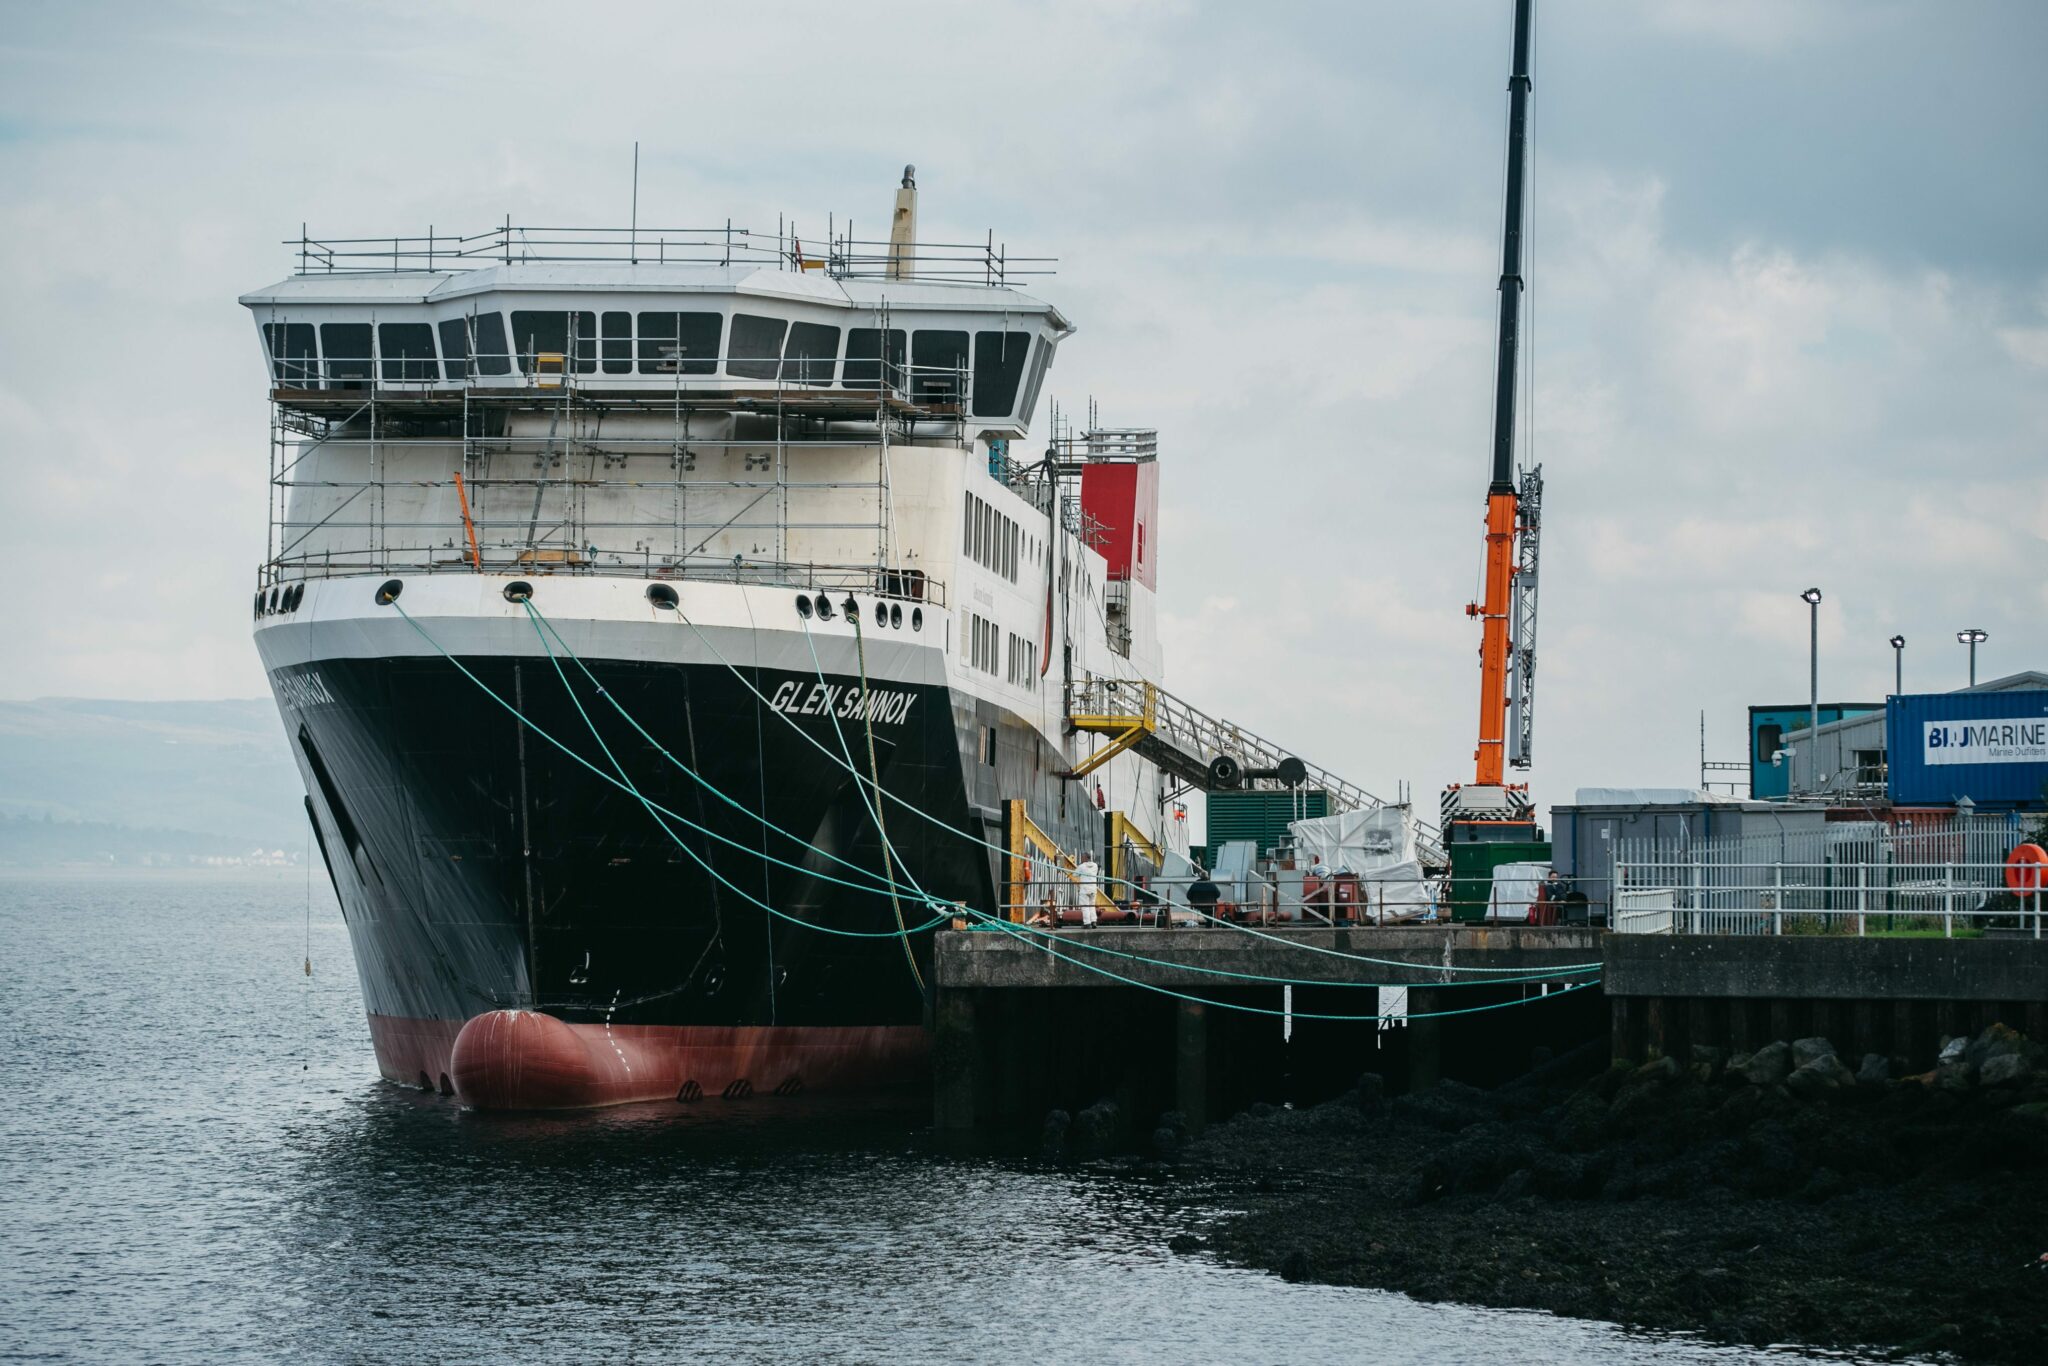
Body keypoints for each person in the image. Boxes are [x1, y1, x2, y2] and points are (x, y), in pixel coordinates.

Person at [1074, 851, 1100, 927]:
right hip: (1093, 888)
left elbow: (1074, 874)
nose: (1081, 858)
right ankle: (1093, 921)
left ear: (1085, 858)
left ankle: (1087, 923)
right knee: (1092, 905)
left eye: (1082, 857)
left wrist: (1079, 866)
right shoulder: (1095, 865)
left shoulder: (1081, 866)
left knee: (1085, 906)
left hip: (1085, 889)